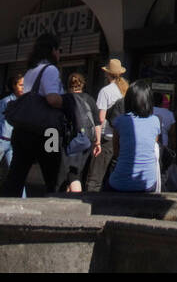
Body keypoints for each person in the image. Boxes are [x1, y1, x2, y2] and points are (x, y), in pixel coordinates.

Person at [1, 34, 65, 196]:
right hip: (49, 131)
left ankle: (3, 208)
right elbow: (51, 98)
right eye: (59, 50)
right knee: (54, 175)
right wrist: (66, 101)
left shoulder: (31, 70)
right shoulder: (50, 69)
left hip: (24, 129)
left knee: (17, 174)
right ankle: (56, 208)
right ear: (52, 50)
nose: (59, 54)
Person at [108, 79, 161, 193]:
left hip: (119, 184)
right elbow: (153, 145)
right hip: (147, 183)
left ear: (128, 101)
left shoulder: (119, 121)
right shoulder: (155, 121)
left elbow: (116, 153)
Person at [86, 58, 129, 192]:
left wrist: (96, 141)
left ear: (107, 74)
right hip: (121, 138)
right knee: (112, 177)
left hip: (106, 137)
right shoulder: (125, 90)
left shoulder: (105, 91)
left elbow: (100, 118)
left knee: (95, 178)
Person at [60, 72, 102, 192]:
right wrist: (97, 142)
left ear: (68, 85)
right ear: (82, 84)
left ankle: (75, 200)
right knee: (78, 173)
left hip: (70, 141)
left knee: (72, 175)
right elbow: (97, 123)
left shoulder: (64, 99)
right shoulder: (90, 99)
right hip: (86, 141)